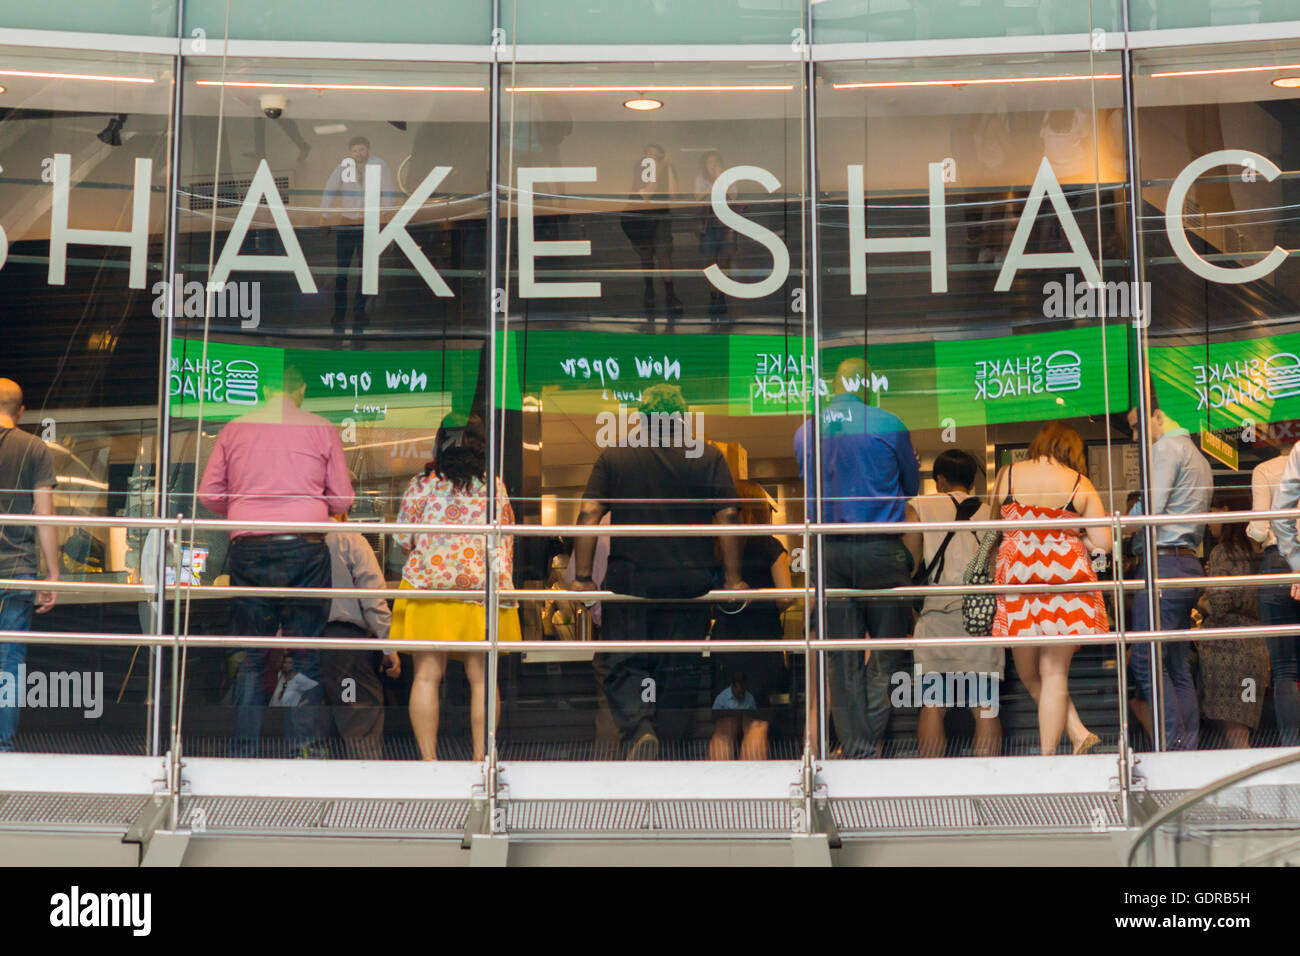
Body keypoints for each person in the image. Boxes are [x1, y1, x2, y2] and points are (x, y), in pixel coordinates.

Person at [572, 384, 745, 760]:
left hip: (631, 585)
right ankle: (663, 747)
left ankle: (640, 730)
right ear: (682, 418)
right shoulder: (708, 457)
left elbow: (589, 514)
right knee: (676, 671)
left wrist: (583, 577)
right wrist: (732, 579)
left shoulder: (615, 456)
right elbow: (728, 516)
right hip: (688, 586)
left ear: (640, 417)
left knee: (623, 663)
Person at [198, 365, 354, 757]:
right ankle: (303, 751)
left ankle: (244, 753)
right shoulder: (322, 428)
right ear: (300, 390)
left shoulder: (234, 429)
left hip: (250, 550)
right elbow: (342, 501)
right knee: (306, 654)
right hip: (306, 549)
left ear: (265, 389)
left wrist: (243, 507)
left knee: (251, 656)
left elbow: (208, 495)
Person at [794, 357, 920, 758]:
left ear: (833, 387)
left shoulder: (806, 432)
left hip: (828, 551)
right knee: (885, 654)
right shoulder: (889, 424)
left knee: (840, 661)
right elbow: (912, 486)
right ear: (868, 385)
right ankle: (863, 748)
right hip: (881, 550)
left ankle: (858, 749)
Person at [390, 413, 520, 762]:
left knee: (428, 675)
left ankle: (430, 762)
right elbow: (506, 538)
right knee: (481, 678)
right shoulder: (494, 487)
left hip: (429, 587)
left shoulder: (422, 484)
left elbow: (403, 539)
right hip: (479, 590)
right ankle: (482, 760)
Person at [991, 423, 1109, 756]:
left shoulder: (1007, 475)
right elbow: (1104, 543)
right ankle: (1067, 741)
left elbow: (992, 526)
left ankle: (1057, 749)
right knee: (1053, 672)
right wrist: (1071, 537)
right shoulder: (1079, 483)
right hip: (1067, 579)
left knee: (1028, 671)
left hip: (1018, 581)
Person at [1126, 397, 1212, 751]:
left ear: (1157, 415)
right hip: (1187, 563)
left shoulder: (1165, 449)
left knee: (1147, 660)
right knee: (1175, 664)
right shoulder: (1197, 455)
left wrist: (1121, 523)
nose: (1133, 436)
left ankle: (1174, 749)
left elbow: (1153, 507)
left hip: (1164, 565)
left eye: (1135, 425)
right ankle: (1186, 750)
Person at [905, 449, 1003, 758]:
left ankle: (935, 785)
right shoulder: (991, 512)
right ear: (972, 482)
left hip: (935, 614)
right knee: (984, 706)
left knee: (933, 706)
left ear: (940, 479)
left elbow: (908, 564)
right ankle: (988, 782)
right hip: (980, 616)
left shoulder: (920, 506)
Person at [708, 480, 793, 761]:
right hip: (761, 645)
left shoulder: (717, 549)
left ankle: (720, 799)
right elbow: (786, 597)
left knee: (724, 725)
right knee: (756, 723)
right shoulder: (769, 546)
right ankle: (752, 797)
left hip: (724, 645)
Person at [0, 379, 59, 752]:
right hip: (17, 569)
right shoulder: (35, 448)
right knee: (8, 660)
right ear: (21, 411)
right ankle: (3, 746)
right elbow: (45, 516)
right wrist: (52, 574)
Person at [321, 513, 401, 759]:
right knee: (356, 713)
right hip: (345, 651)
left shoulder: (291, 538)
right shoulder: (350, 539)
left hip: (299, 645)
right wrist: (389, 648)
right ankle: (363, 782)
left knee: (313, 718)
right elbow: (373, 600)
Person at [1197, 495, 1269, 749]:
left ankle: (1245, 787)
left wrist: (1202, 597)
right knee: (1243, 727)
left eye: (1212, 512)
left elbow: (1218, 605)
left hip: (1226, 656)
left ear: (1225, 511)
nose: (1208, 522)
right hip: (1255, 654)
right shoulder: (1258, 553)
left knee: (1232, 733)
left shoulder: (1221, 553)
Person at [320, 135, 395, 336]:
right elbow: (330, 189)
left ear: (368, 150)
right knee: (342, 270)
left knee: (365, 270)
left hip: (368, 223)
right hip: (347, 222)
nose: (358, 153)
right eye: (354, 150)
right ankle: (339, 313)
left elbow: (387, 191)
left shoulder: (380, 165)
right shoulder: (344, 167)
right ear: (349, 152)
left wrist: (386, 217)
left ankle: (359, 311)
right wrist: (324, 216)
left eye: (361, 149)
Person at [1253, 436, 1300, 745]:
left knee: (1284, 669)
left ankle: (1291, 750)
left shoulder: (1265, 470)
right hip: (1292, 562)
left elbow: (1261, 525)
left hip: (1278, 561)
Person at [622, 143, 683, 322]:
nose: (652, 159)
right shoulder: (642, 168)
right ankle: (649, 290)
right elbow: (646, 193)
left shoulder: (665, 168)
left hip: (661, 217)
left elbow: (674, 195)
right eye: (649, 155)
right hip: (641, 218)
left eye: (656, 156)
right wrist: (661, 166)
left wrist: (669, 168)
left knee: (664, 255)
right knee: (646, 255)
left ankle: (670, 294)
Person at [695, 151, 736, 320]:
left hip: (726, 223)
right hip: (709, 223)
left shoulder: (728, 176)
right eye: (709, 162)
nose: (712, 165)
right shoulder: (700, 179)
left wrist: (722, 181)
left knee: (725, 259)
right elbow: (697, 198)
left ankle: (723, 296)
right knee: (711, 260)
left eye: (715, 162)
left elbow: (734, 197)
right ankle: (713, 296)